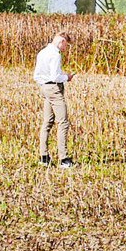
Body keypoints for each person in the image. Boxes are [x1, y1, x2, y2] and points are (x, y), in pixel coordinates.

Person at [34, 31, 76, 168]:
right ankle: (64, 159)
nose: (64, 49)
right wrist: (67, 77)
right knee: (63, 122)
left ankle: (43, 157)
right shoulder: (55, 55)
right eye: (65, 46)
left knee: (47, 122)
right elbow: (55, 76)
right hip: (54, 89)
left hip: (44, 88)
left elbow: (37, 76)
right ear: (61, 41)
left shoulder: (42, 52)